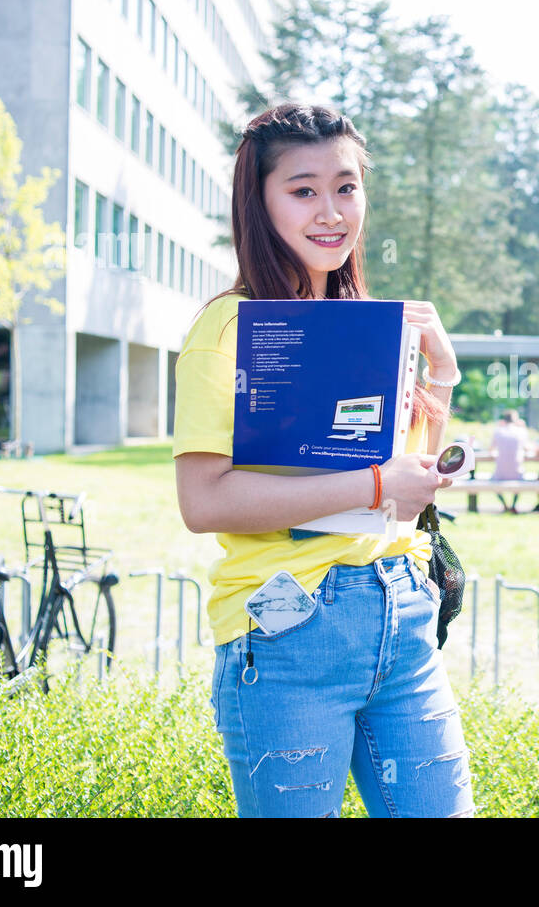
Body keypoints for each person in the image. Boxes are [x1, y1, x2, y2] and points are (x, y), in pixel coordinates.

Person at [172, 103, 474, 818]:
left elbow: (403, 490)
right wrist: (377, 480)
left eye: (346, 186)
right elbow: (203, 500)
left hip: (400, 614)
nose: (331, 211)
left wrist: (440, 381)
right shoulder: (227, 327)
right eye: (303, 190)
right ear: (261, 200)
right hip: (289, 632)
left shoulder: (367, 324)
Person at [489, 409, 530, 513]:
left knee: (490, 480)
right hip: (517, 474)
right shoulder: (521, 431)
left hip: (500, 474)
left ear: (504, 420)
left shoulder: (498, 431)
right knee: (522, 477)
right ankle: (513, 505)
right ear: (516, 420)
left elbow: (491, 449)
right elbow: (527, 448)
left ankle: (505, 505)